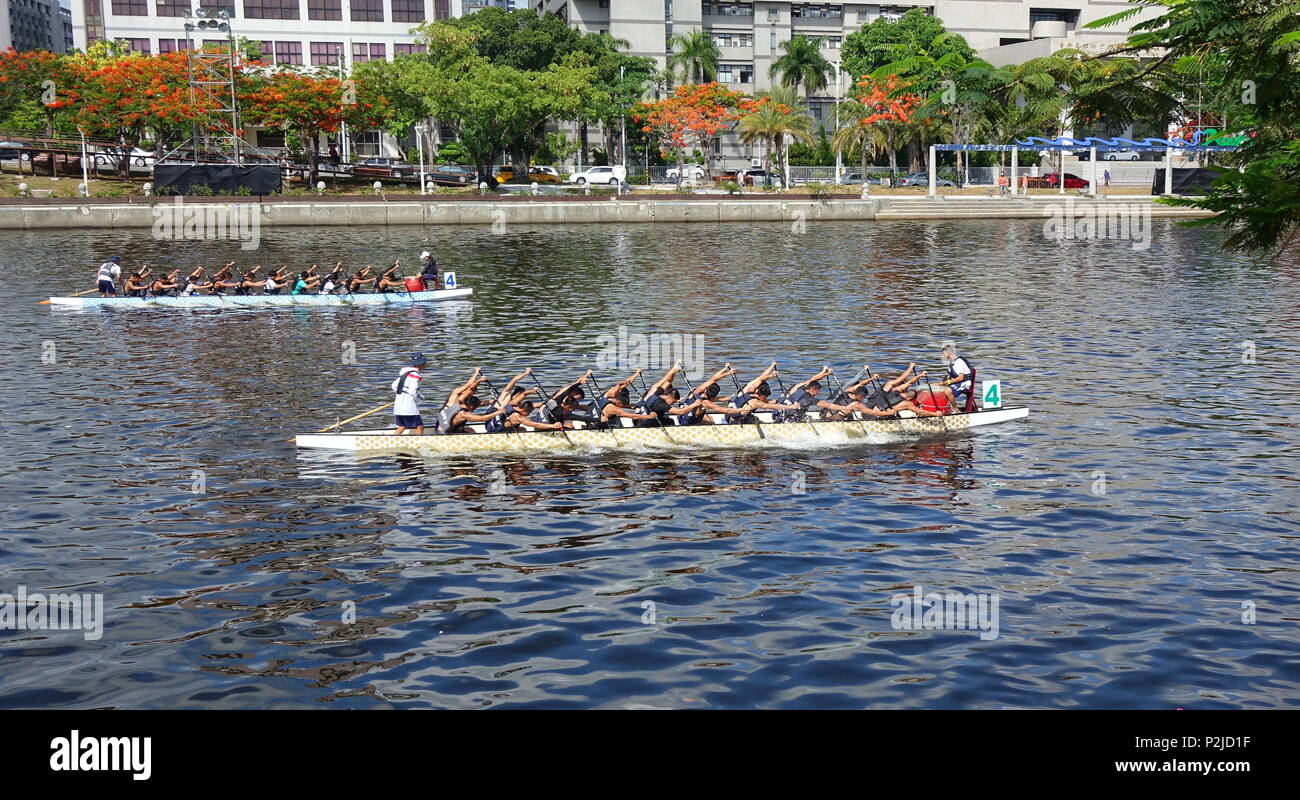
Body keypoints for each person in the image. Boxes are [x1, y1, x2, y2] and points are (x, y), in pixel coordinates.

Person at [726, 362, 800, 424]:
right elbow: (773, 406)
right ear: (762, 396)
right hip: (735, 423)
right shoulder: (755, 402)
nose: (766, 399)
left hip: (728, 415)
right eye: (766, 397)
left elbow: (761, 378)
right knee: (757, 421)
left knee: (756, 419)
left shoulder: (748, 390)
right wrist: (791, 407)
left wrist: (771, 367)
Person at [773, 366, 837, 422]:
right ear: (813, 389)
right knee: (807, 418)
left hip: (776, 413)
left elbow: (812, 379)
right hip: (784, 418)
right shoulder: (806, 397)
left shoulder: (797, 387)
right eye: (817, 391)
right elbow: (812, 380)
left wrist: (824, 373)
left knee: (806, 417)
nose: (817, 393)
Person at [392, 352, 429, 435]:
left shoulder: (405, 373)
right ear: (421, 364)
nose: (426, 364)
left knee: (402, 426)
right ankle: (419, 444)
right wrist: (419, 397)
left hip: (399, 404)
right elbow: (413, 392)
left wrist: (402, 394)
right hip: (408, 406)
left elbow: (394, 386)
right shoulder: (416, 375)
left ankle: (392, 439)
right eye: (424, 362)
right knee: (420, 426)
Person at [938, 342, 974, 411]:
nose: (943, 356)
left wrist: (948, 382)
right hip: (957, 382)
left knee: (948, 391)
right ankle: (945, 409)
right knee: (938, 389)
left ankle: (955, 409)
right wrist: (940, 383)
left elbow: (961, 378)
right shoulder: (952, 362)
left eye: (944, 354)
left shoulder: (958, 362)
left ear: (949, 353)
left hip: (965, 383)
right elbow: (948, 376)